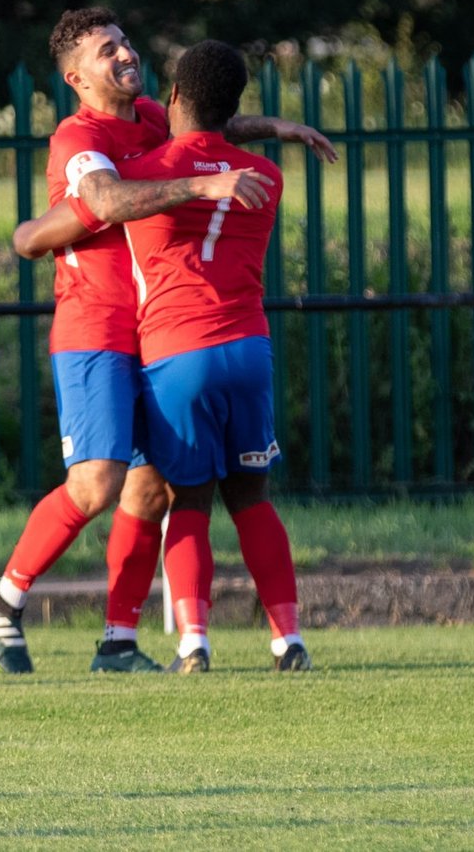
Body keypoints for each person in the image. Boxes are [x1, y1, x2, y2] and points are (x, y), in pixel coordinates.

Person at [0, 7, 332, 674]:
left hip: (156, 333)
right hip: (96, 332)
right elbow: (106, 200)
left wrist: (270, 128)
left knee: (151, 492)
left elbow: (197, 120)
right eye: (107, 50)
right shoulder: (77, 137)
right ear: (76, 77)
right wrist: (205, 182)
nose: (124, 54)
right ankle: (3, 598)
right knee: (97, 483)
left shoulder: (146, 120)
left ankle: (117, 641)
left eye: (126, 42)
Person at [80, 39, 308, 673]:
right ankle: (288, 640)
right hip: (249, 349)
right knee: (254, 499)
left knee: (190, 502)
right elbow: (215, 159)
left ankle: (194, 643)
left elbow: (110, 204)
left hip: (178, 353)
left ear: (173, 97)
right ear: (234, 107)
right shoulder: (266, 176)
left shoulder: (144, 174)